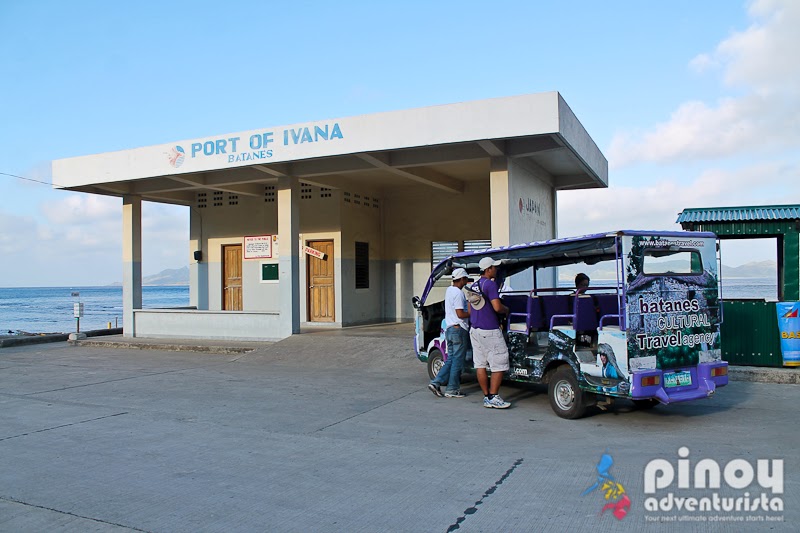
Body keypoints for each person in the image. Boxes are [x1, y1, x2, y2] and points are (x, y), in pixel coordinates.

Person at [468, 257, 511, 409]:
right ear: (488, 270)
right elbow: (497, 307)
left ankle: (486, 396)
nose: (496, 270)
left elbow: (470, 309)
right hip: (489, 329)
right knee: (499, 361)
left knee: (480, 364)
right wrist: (507, 310)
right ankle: (494, 396)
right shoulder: (490, 284)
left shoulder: (473, 285)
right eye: (494, 267)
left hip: (475, 329)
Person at [428, 268, 472, 398]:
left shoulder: (449, 290)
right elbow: (460, 313)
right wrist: (471, 312)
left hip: (450, 329)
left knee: (450, 359)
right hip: (459, 329)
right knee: (457, 361)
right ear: (462, 279)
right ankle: (452, 389)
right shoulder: (458, 293)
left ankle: (436, 382)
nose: (466, 282)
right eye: (465, 279)